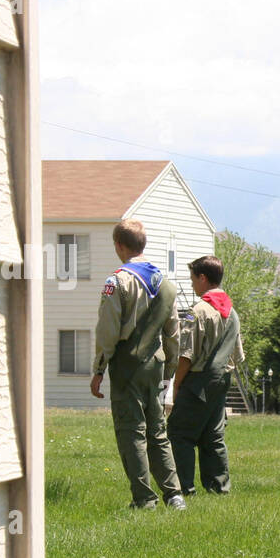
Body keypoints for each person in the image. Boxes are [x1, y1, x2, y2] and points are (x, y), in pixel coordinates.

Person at [90, 218, 186, 510]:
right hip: (155, 364)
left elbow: (107, 332)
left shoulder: (116, 281)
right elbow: (173, 333)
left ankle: (144, 499)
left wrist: (98, 369)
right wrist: (169, 371)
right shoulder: (164, 284)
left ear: (120, 245)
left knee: (132, 430)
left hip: (127, 365)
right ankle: (175, 495)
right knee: (157, 430)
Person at [168, 255, 244, 496]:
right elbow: (238, 354)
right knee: (213, 436)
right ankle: (219, 488)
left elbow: (186, 355)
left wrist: (177, 385)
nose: (191, 284)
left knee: (180, 434)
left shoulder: (197, 311)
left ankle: (184, 489)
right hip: (222, 380)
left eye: (193, 279)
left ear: (203, 278)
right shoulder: (232, 312)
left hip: (198, 381)